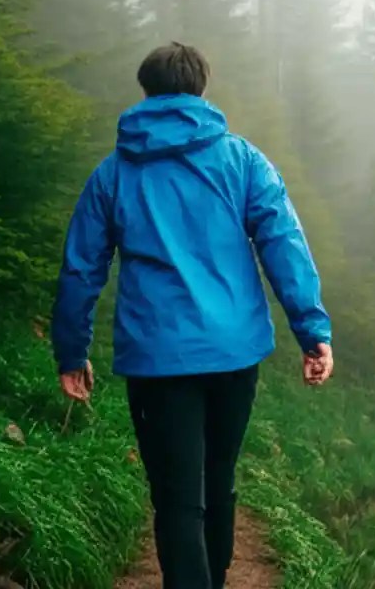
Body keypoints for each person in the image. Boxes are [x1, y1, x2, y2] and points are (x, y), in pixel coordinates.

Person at [50, 41, 334, 589]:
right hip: (234, 353)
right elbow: (283, 244)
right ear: (202, 88)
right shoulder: (243, 161)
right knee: (218, 481)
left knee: (178, 499)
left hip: (157, 358)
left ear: (146, 89)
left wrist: (71, 350)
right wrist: (311, 330)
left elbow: (81, 267)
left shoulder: (113, 174)